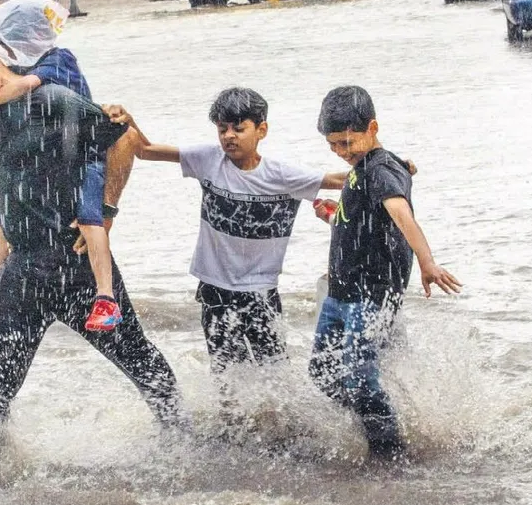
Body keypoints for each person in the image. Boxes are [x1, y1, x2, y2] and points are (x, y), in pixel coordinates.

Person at [0, 18, 188, 459]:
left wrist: (104, 212)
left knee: (138, 359)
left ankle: (184, 444)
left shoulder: (52, 101)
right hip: (21, 272)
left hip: (73, 265)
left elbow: (123, 138)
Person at [105, 88, 350, 385]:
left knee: (276, 376)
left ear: (261, 130)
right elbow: (146, 150)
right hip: (215, 290)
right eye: (222, 129)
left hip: (261, 291)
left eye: (238, 128)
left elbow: (338, 180)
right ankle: (229, 415)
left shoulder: (282, 175)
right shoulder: (209, 160)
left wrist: (382, 166)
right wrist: (128, 122)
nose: (229, 136)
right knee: (226, 376)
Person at [0, 0, 124, 333]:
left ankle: (105, 297)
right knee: (2, 220)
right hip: (35, 226)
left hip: (86, 156)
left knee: (90, 218)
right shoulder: (18, 69)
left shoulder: (56, 61)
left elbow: (26, 86)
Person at [309, 85, 461, 463]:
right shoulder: (365, 166)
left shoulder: (380, 169)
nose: (341, 152)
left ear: (372, 127)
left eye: (347, 143)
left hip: (371, 295)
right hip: (340, 294)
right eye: (333, 145)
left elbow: (400, 215)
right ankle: (384, 417)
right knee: (322, 372)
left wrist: (427, 262)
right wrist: (336, 215)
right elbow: (370, 222)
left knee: (359, 378)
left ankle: (389, 453)